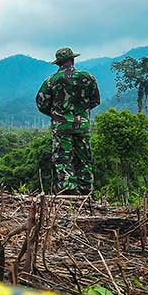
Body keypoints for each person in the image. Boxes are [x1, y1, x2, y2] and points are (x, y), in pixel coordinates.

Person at [36, 47, 101, 195]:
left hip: (61, 126)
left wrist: (56, 115)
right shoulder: (87, 77)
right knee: (84, 158)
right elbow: (95, 100)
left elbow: (41, 103)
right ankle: (86, 193)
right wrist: (82, 112)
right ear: (72, 59)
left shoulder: (51, 81)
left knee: (63, 159)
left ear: (58, 63)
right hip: (82, 125)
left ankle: (68, 194)